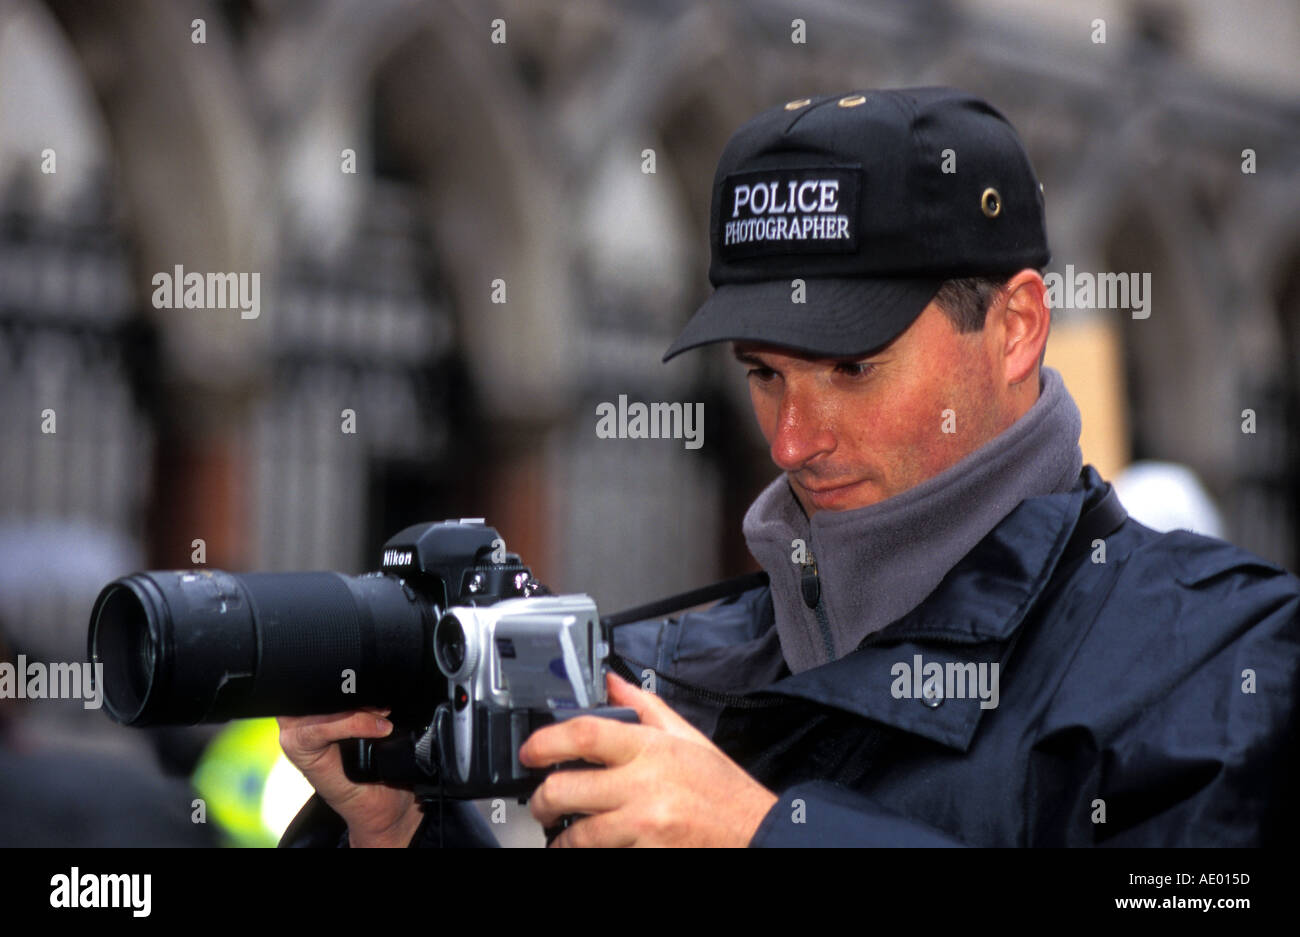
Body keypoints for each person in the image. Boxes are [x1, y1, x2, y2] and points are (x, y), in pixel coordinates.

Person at [278, 87, 1300, 847]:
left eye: (852, 368)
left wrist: (771, 836)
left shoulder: (1221, 652)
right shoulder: (663, 670)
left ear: (1016, 327)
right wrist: (391, 833)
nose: (790, 439)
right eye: (764, 373)